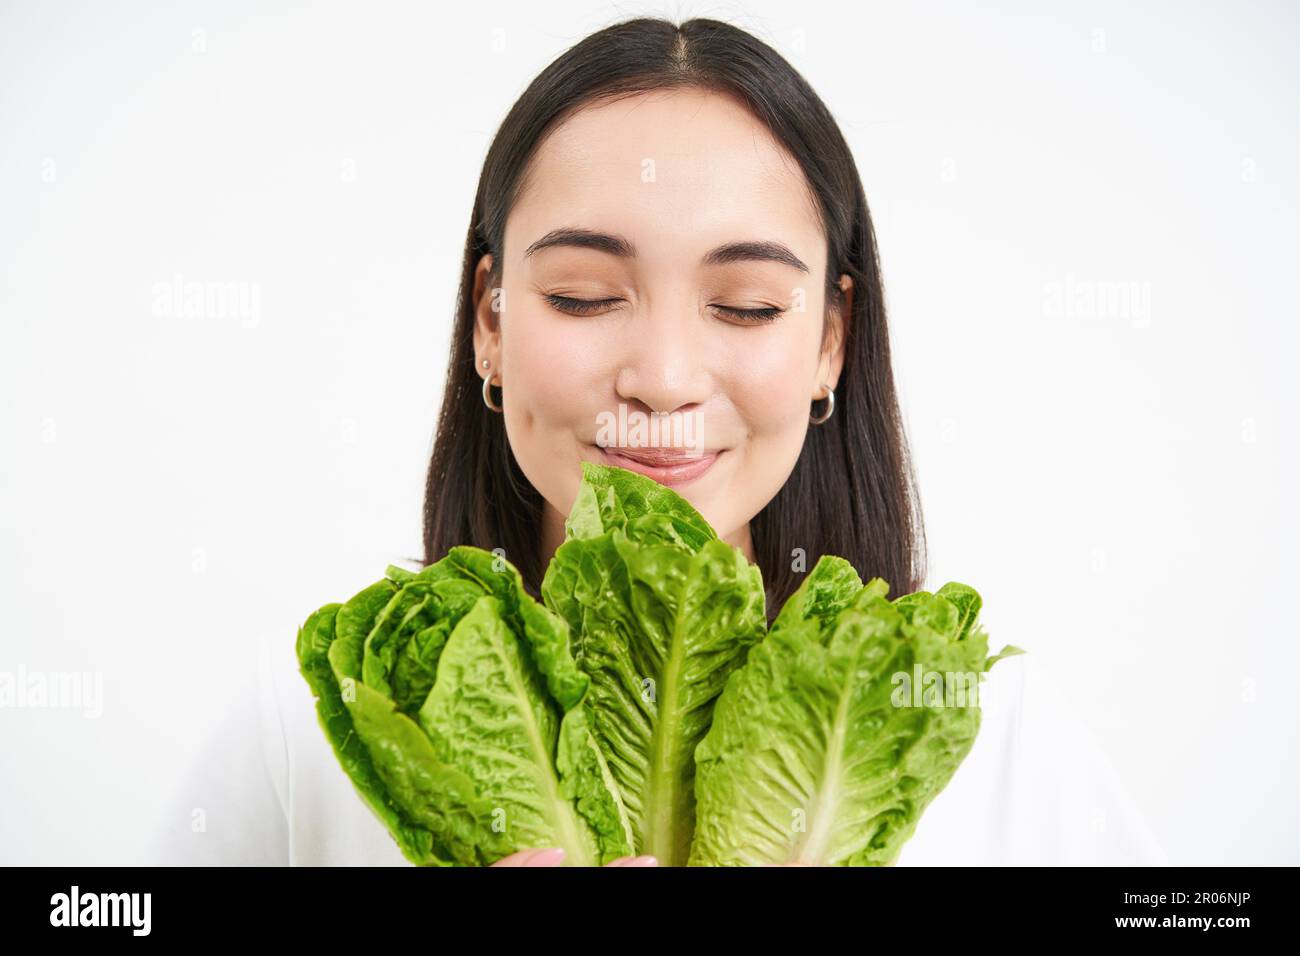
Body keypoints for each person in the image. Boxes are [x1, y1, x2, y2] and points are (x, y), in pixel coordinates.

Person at [145, 16, 1167, 867]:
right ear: (489, 321)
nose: (664, 375)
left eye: (748, 305)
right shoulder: (318, 727)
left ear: (831, 342)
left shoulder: (987, 730)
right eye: (583, 295)